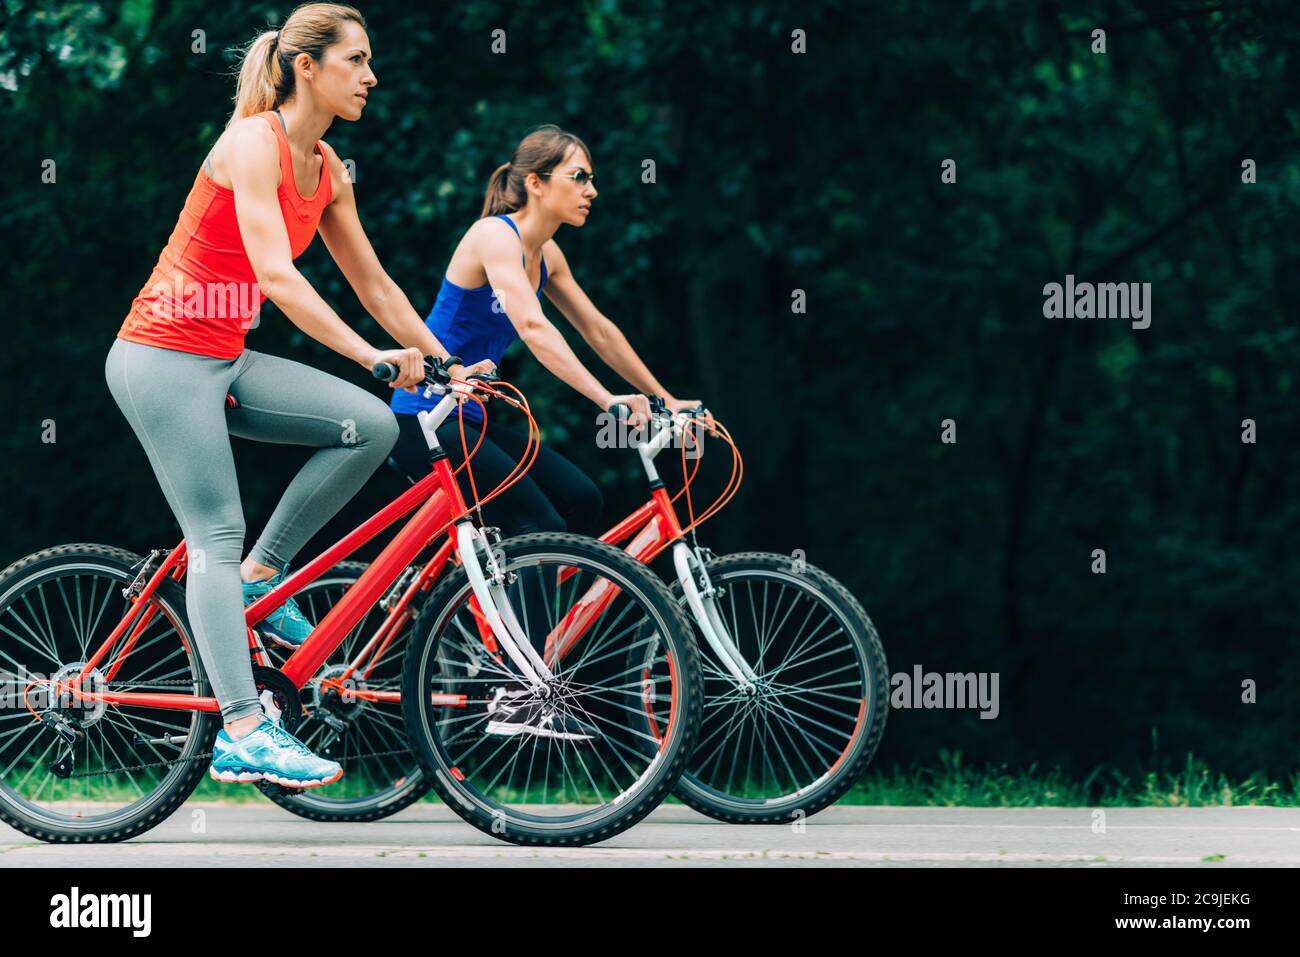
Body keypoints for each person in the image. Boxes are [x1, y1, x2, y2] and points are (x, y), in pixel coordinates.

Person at [104, 3, 489, 788]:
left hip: (225, 357)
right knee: (213, 531)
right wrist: (370, 354)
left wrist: (446, 361)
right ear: (307, 66)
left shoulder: (330, 169)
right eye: (357, 60)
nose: (372, 76)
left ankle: (260, 577)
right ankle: (243, 728)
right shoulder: (254, 143)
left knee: (369, 426)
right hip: (161, 357)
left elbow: (374, 283)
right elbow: (277, 276)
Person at [386, 124, 702, 740]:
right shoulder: (493, 238)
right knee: (537, 527)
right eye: (578, 177)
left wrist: (664, 398)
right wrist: (607, 399)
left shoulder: (546, 253)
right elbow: (532, 327)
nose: (592, 191)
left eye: (592, 179)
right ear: (535, 182)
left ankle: (502, 605)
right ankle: (519, 691)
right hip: (424, 416)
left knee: (582, 499)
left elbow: (598, 329)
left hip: (473, 414)